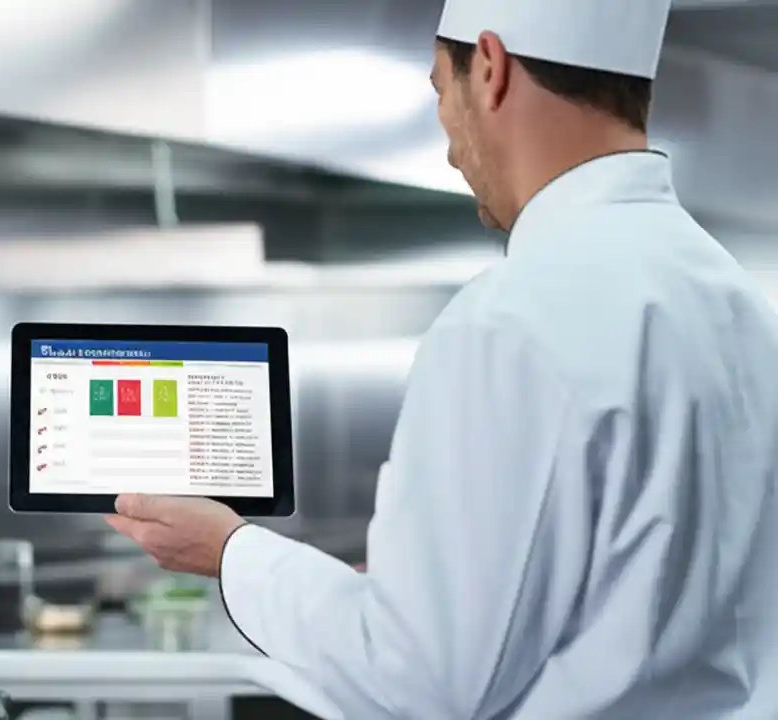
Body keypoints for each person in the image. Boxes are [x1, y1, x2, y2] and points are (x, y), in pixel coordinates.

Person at [106, 0, 778, 716]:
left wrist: (232, 552)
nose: (451, 144)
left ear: (488, 68)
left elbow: (416, 682)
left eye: (437, 90)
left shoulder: (508, 321)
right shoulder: (736, 301)